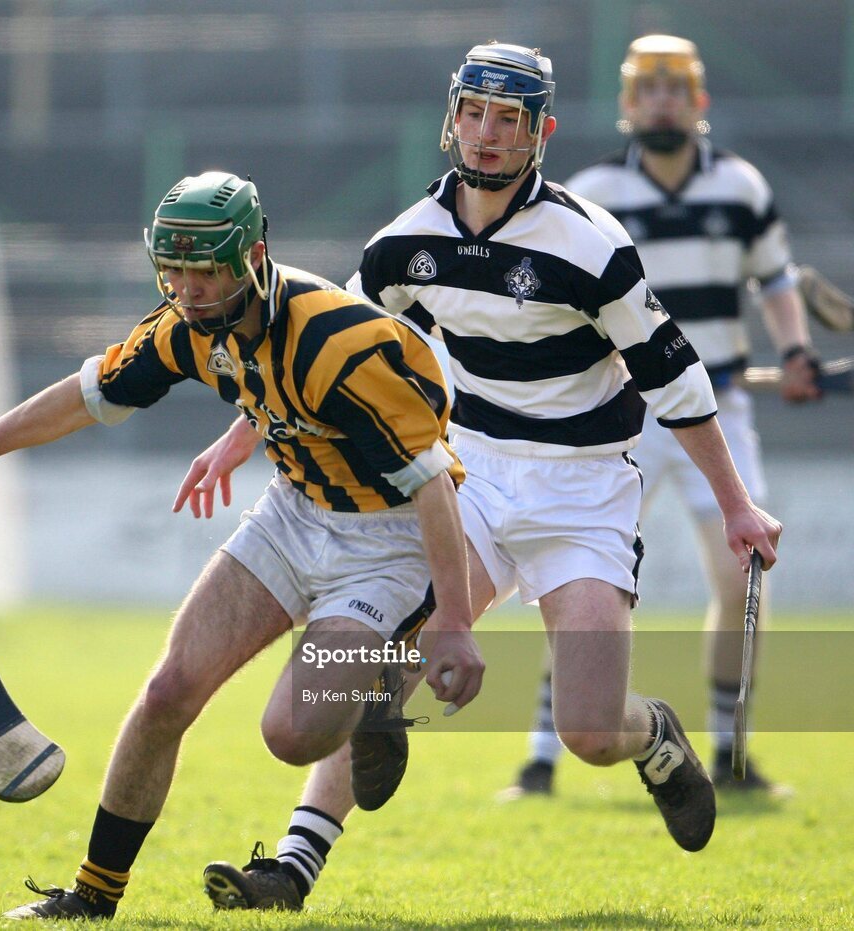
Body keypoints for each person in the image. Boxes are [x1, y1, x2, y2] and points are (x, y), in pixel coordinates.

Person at [176, 43, 783, 912]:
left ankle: (652, 738)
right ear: (451, 117)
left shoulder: (592, 246)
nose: (488, 135)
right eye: (475, 113)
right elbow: (328, 349)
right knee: (389, 661)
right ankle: (295, 866)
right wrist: (241, 438)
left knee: (587, 729)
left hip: (583, 491)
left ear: (542, 131)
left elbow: (676, 381)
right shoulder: (405, 247)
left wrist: (737, 505)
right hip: (474, 477)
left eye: (510, 119)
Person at [0, 170, 484, 921]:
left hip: (392, 537)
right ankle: (92, 893)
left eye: (206, 268)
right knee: (169, 689)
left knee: (292, 734)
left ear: (254, 256)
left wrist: (456, 623)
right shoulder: (185, 325)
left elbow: (436, 486)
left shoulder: (339, 345)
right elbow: (90, 393)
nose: (189, 288)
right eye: (173, 269)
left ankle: (379, 692)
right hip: (295, 512)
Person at [506, 34, 821, 801]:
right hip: (617, 409)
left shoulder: (741, 188)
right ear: (627, 102)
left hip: (717, 407)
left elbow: (775, 279)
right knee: (575, 571)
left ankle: (729, 750)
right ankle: (542, 755)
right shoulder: (590, 192)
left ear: (699, 100)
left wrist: (797, 348)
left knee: (740, 570)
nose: (661, 100)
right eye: (646, 88)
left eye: (675, 87)